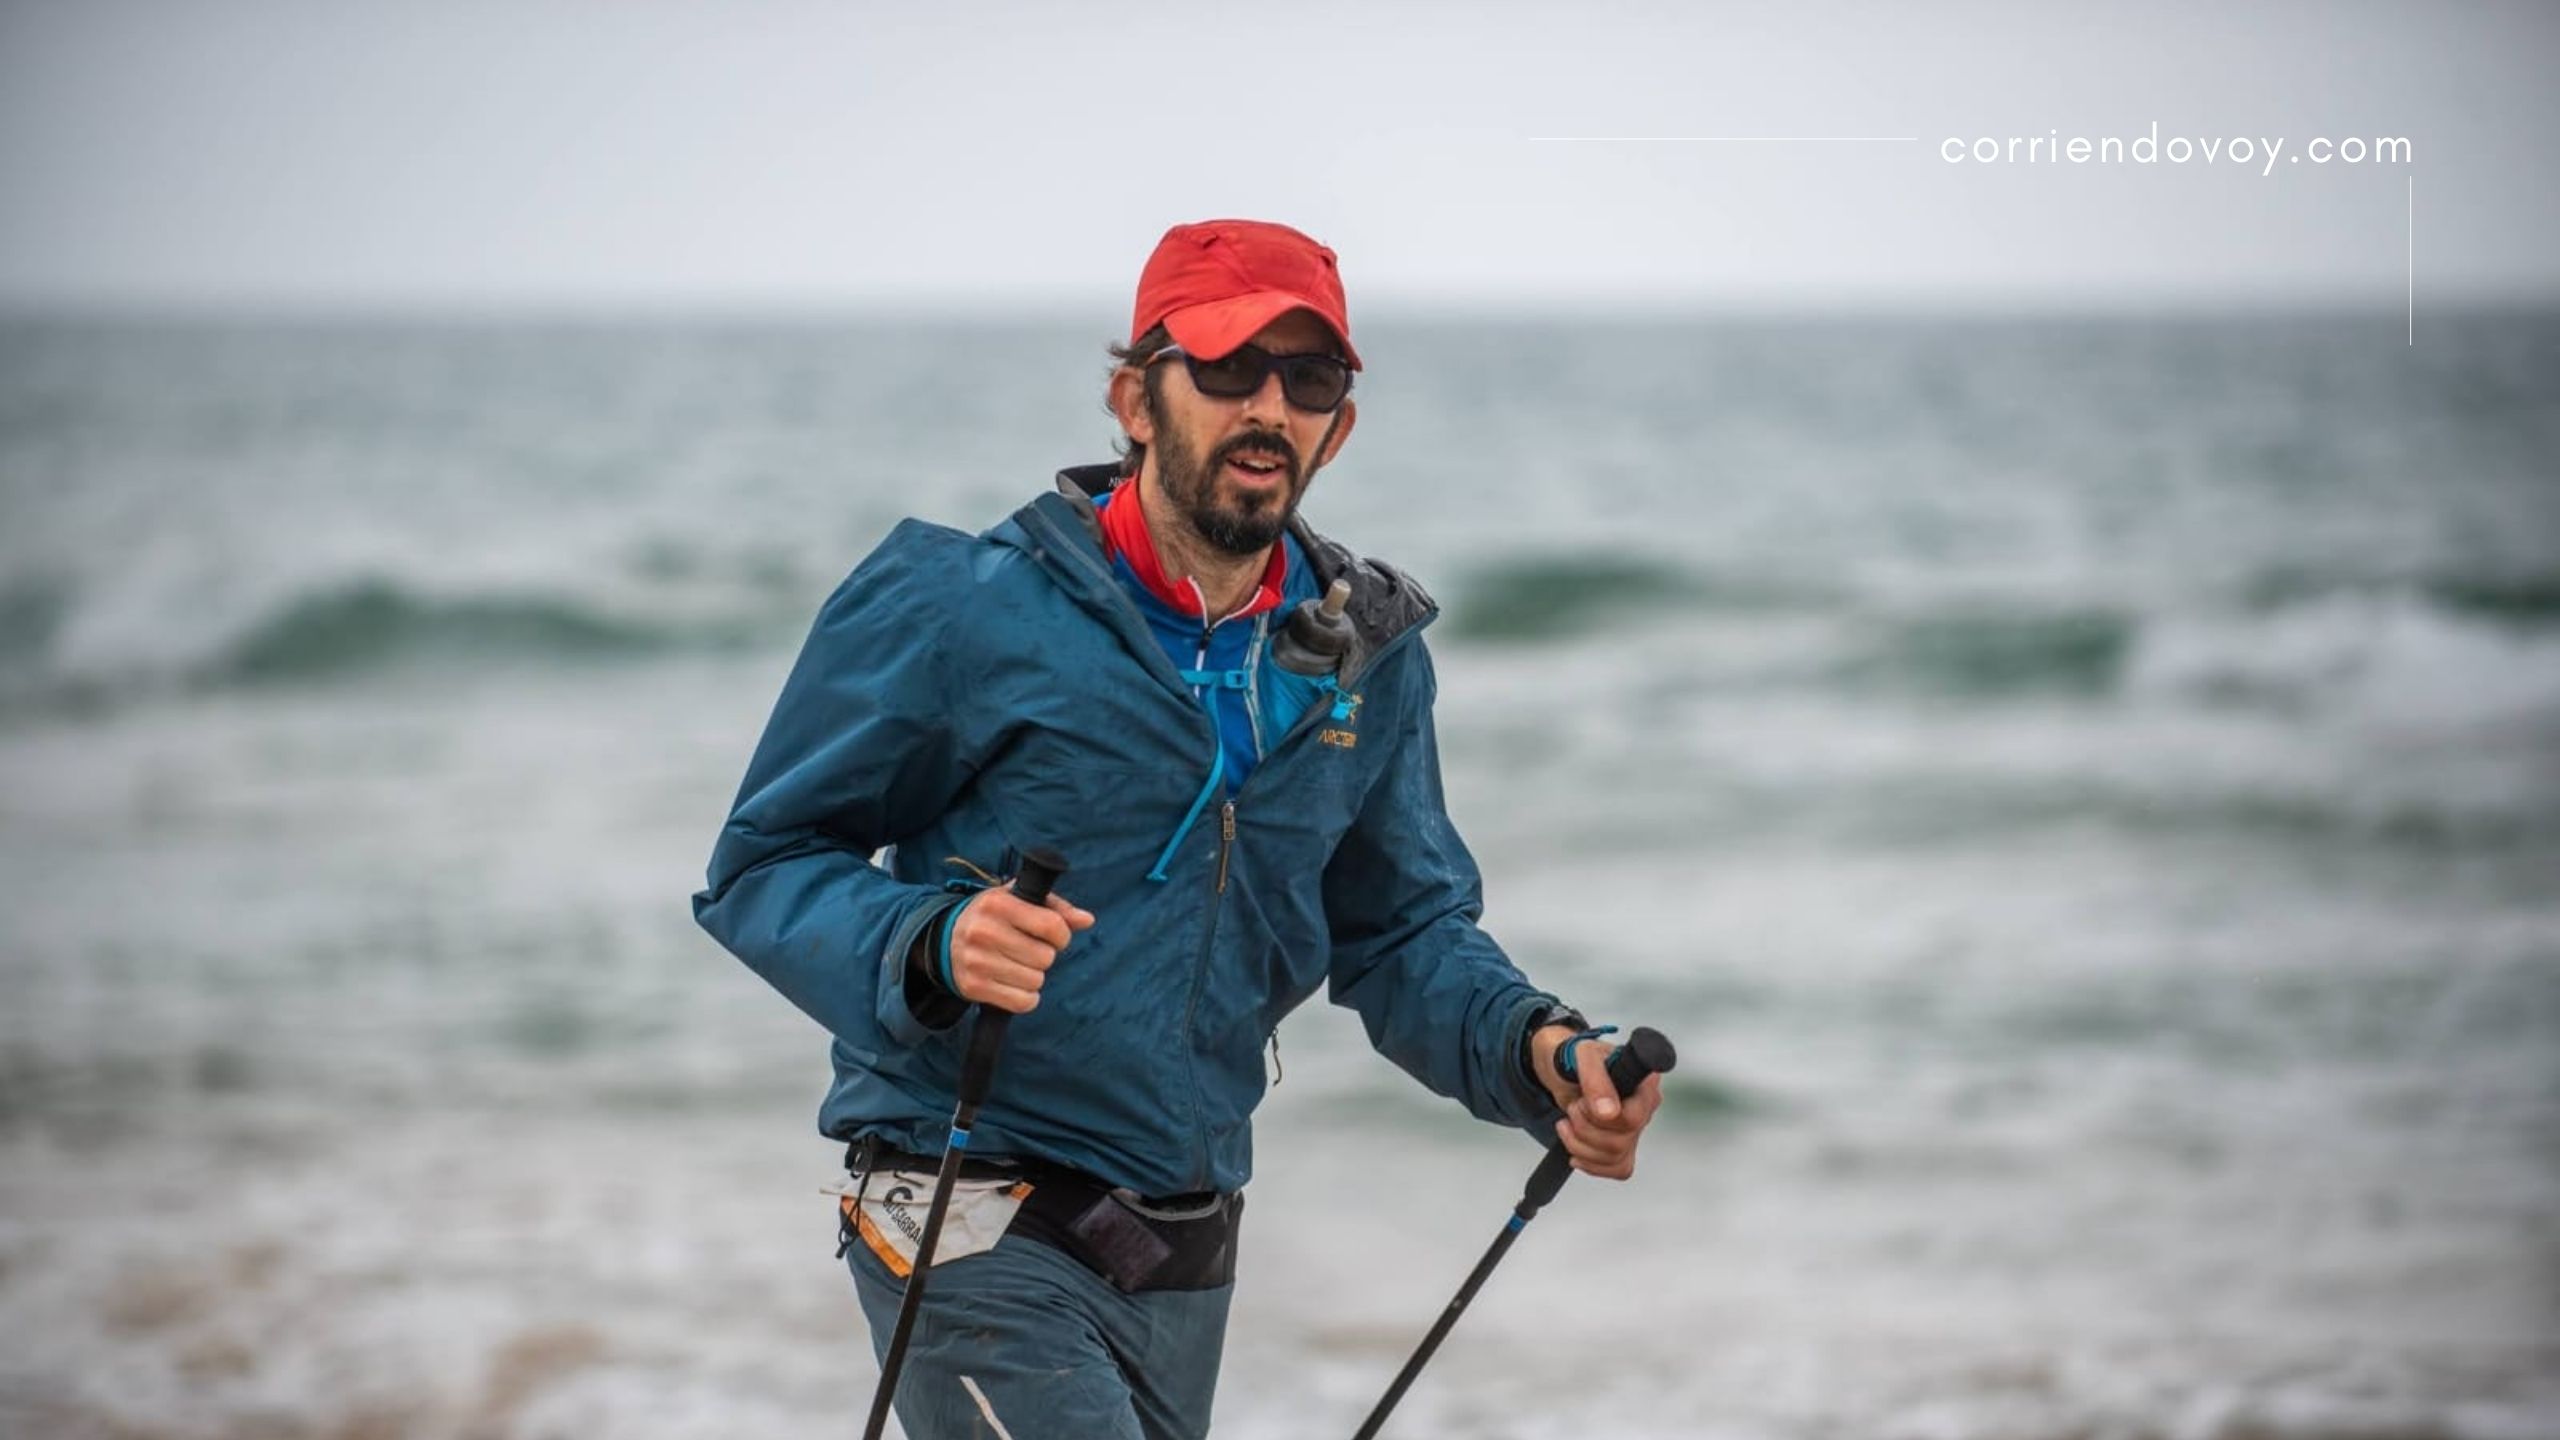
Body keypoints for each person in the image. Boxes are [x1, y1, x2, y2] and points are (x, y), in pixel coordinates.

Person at [693, 218, 1664, 1440]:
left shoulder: (1361, 662)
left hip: (1186, 1249)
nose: (1266, 405)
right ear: (1135, 399)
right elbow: (762, 866)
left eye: (1306, 380)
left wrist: (1539, 1053)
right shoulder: (962, 608)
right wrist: (929, 944)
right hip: (964, 1217)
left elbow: (1402, 935)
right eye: (1225, 368)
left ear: (1338, 426)